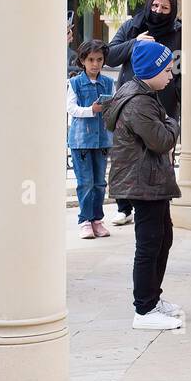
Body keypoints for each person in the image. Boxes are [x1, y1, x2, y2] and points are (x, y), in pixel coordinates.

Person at [102, 39, 183, 331]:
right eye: (166, 70)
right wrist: (174, 123)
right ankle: (144, 309)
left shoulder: (144, 93)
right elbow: (161, 140)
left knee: (163, 238)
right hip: (143, 182)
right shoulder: (138, 102)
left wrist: (167, 123)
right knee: (149, 244)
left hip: (150, 179)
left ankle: (153, 297)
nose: (171, 75)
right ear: (150, 70)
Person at [105, 0, 182, 225]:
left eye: (165, 8)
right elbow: (110, 55)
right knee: (129, 151)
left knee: (160, 150)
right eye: (155, 6)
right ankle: (125, 206)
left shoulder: (179, 32)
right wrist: (134, 43)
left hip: (164, 102)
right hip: (132, 101)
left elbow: (182, 65)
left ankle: (160, 197)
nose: (158, 11)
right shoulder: (132, 26)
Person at [67, 39, 116, 240]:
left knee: (99, 183)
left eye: (99, 59)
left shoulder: (108, 83)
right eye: (91, 60)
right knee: (85, 182)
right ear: (82, 61)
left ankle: (97, 219)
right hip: (82, 141)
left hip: (102, 140)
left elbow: (114, 105)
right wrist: (91, 110)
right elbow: (71, 108)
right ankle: (84, 221)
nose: (95, 64)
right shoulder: (74, 83)